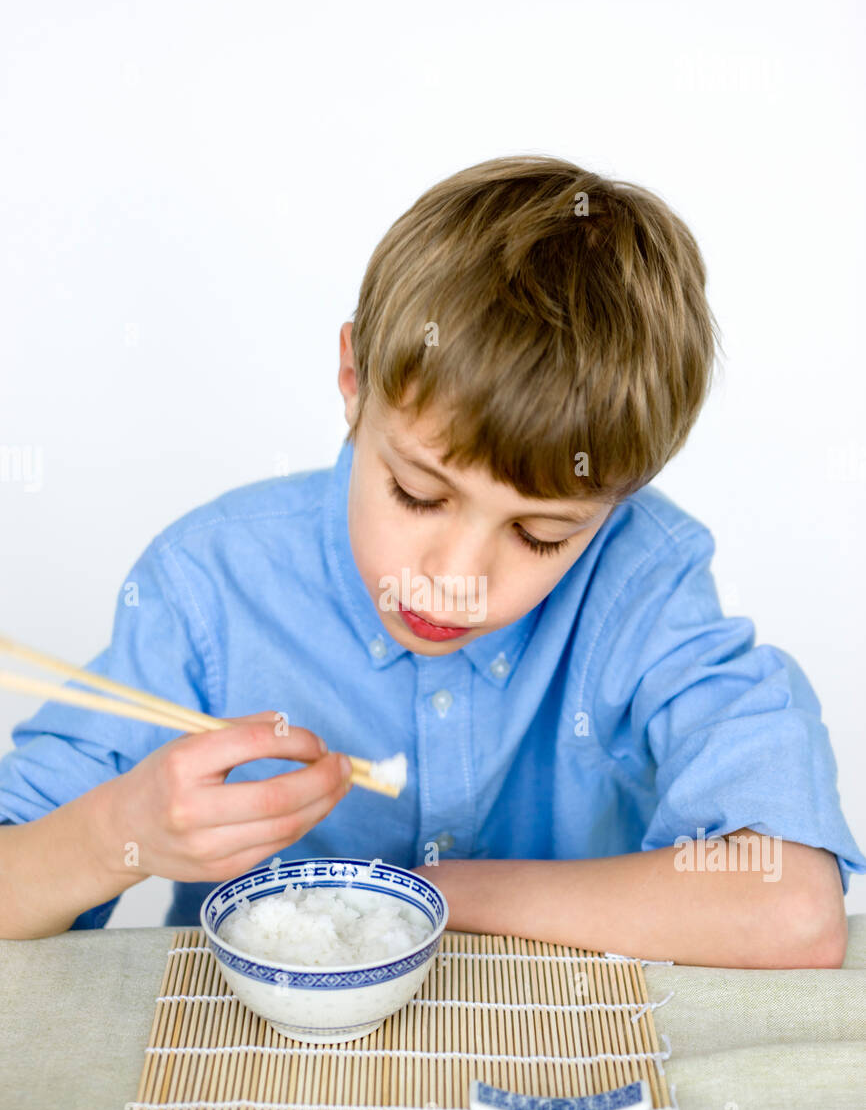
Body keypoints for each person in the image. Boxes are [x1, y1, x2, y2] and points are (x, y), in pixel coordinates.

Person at [1, 155, 861, 966]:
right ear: (352, 377)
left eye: (541, 535)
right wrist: (120, 828)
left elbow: (793, 909)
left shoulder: (643, 580)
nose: (456, 574)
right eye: (418, 493)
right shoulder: (210, 584)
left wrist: (422, 897)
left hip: (552, 1072)